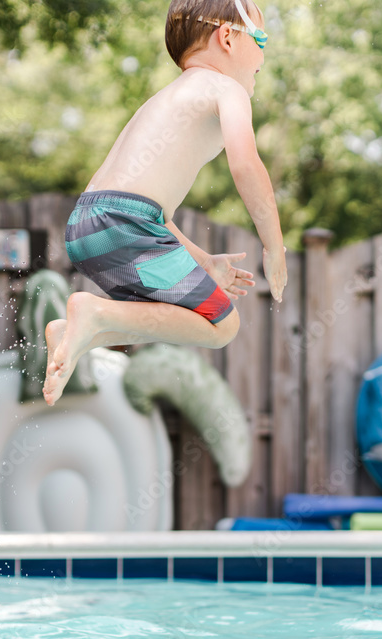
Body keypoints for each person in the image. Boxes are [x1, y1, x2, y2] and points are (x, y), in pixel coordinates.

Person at [43, 0, 287, 406]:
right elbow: (247, 166)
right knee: (221, 323)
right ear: (227, 37)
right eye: (260, 38)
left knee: (178, 315)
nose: (264, 54)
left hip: (89, 224)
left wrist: (203, 261)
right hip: (125, 223)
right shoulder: (226, 89)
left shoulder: (164, 99)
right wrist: (274, 245)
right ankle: (94, 313)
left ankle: (73, 331)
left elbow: (153, 211)